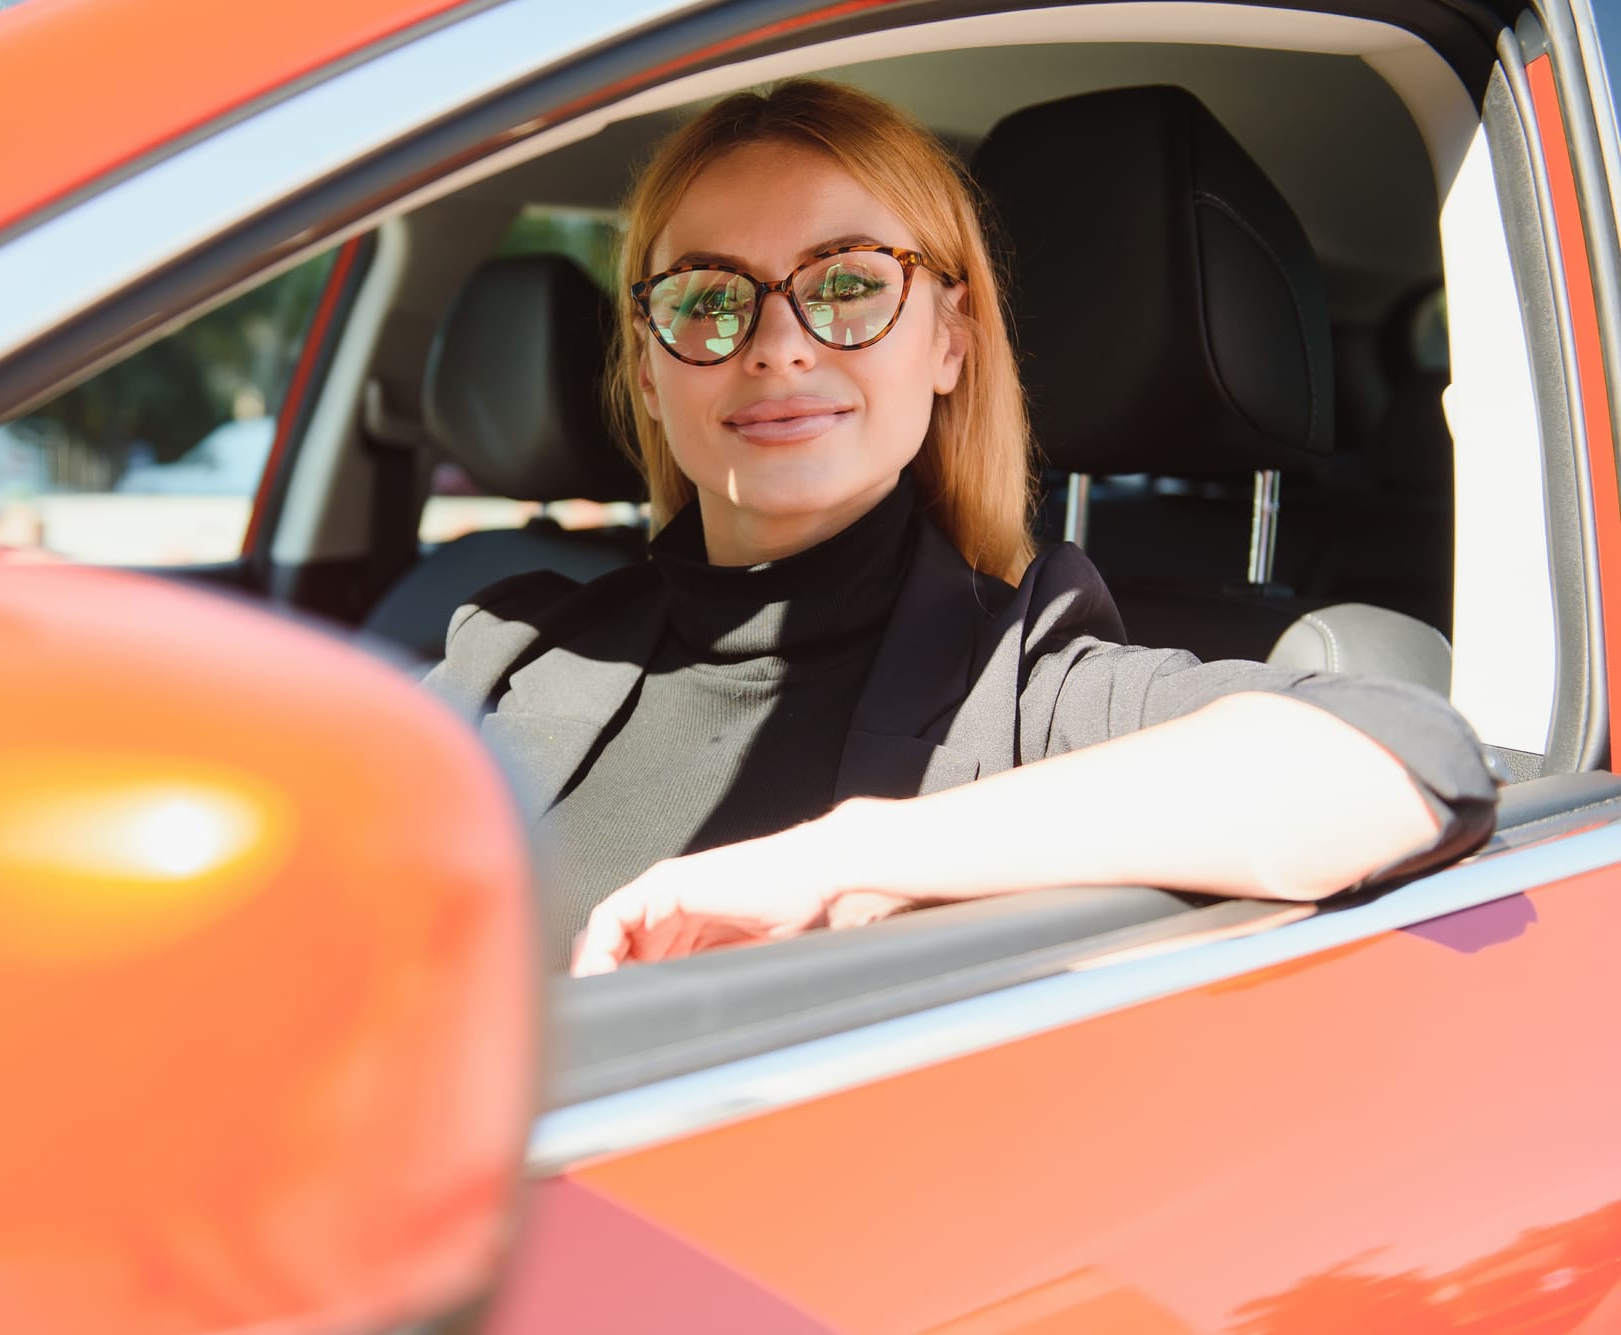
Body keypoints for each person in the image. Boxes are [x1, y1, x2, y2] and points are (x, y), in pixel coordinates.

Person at [425, 79, 1495, 975]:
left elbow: (1402, 762)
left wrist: (839, 859)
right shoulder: (512, 652)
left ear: (947, 342)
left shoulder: (1025, 681)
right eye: (707, 299)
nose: (777, 345)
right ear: (649, 372)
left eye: (847, 285)